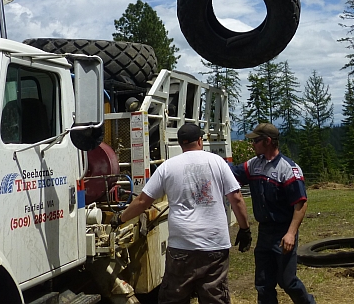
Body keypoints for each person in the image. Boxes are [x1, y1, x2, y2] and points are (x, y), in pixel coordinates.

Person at [117, 122, 251, 304]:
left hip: (182, 245)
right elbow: (236, 198)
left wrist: (120, 218)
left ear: (180, 144)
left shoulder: (167, 167)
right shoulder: (217, 162)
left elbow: (142, 201)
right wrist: (244, 229)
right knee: (215, 298)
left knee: (174, 298)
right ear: (200, 141)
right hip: (214, 244)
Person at [230, 123, 316, 304]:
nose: (252, 144)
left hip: (282, 231)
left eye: (256, 140)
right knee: (263, 283)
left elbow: (301, 204)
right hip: (264, 232)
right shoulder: (254, 164)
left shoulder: (288, 169)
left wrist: (291, 233)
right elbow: (232, 172)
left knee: (287, 281)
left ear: (268, 141)